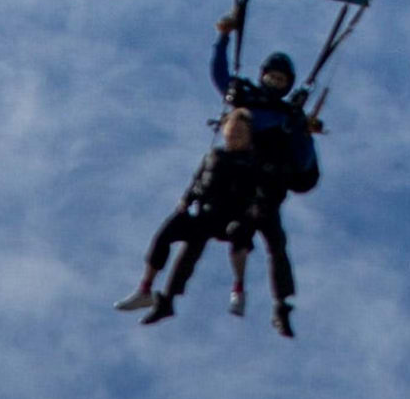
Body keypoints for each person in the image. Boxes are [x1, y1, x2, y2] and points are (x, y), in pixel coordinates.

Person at [118, 40, 310, 334]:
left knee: (274, 242)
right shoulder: (245, 100)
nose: (274, 81)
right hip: (228, 184)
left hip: (261, 189)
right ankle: (165, 299)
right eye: (271, 75)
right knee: (196, 235)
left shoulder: (288, 117)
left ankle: (281, 306)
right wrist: (222, 37)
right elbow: (220, 76)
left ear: (287, 86)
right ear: (263, 75)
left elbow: (303, 161)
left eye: (281, 79)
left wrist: (302, 129)